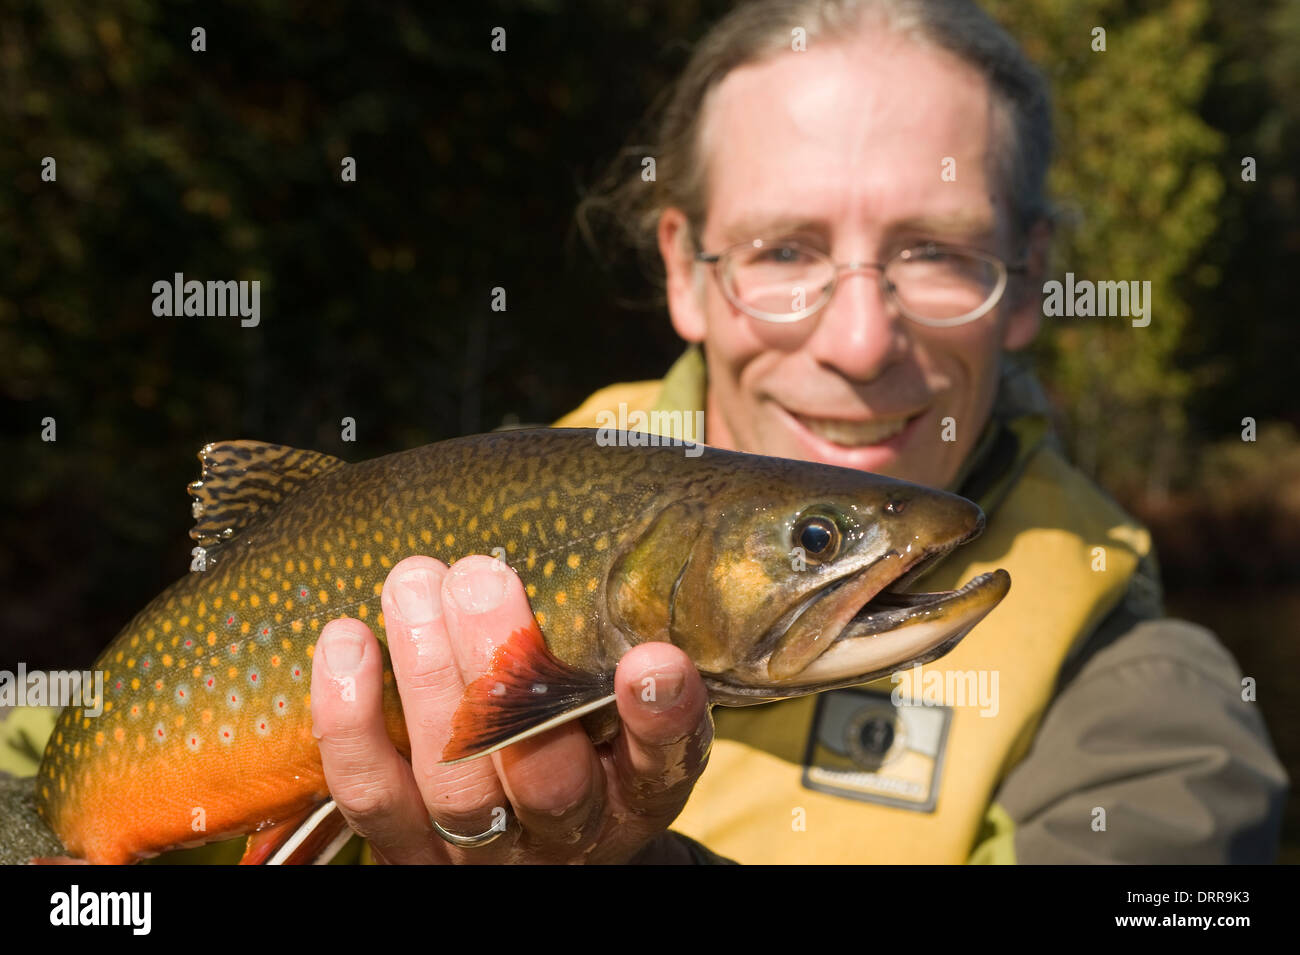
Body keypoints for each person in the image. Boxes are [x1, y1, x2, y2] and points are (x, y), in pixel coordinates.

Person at [2, 0, 1287, 864]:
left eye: (935, 253)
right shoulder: (492, 499)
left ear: (1033, 277)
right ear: (680, 266)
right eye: (785, 247)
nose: (856, 339)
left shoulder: (1153, 722)